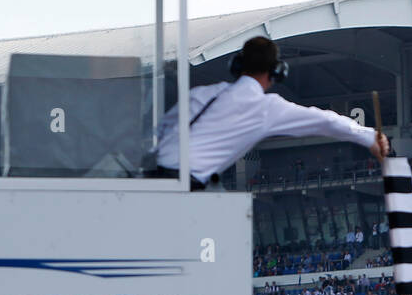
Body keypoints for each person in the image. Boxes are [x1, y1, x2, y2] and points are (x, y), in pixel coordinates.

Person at [152, 36, 389, 190]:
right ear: (277, 72)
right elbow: (324, 121)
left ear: (236, 65)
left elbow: (159, 132)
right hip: (184, 187)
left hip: (150, 177)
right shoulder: (267, 108)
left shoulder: (201, 94)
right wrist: (369, 137)